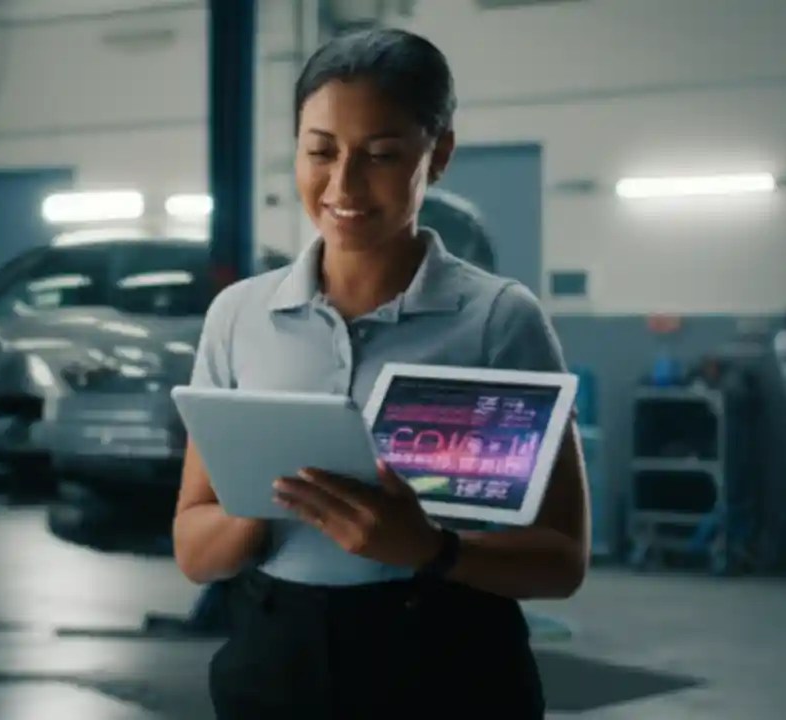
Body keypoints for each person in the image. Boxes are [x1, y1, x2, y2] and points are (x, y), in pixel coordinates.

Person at [173, 27, 590, 719]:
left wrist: (429, 549)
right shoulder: (238, 316)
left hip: (446, 662)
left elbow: (560, 559)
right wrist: (266, 504)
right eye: (320, 151)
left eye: (382, 155)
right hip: (276, 664)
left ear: (440, 154)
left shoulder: (497, 320)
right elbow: (193, 548)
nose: (343, 185)